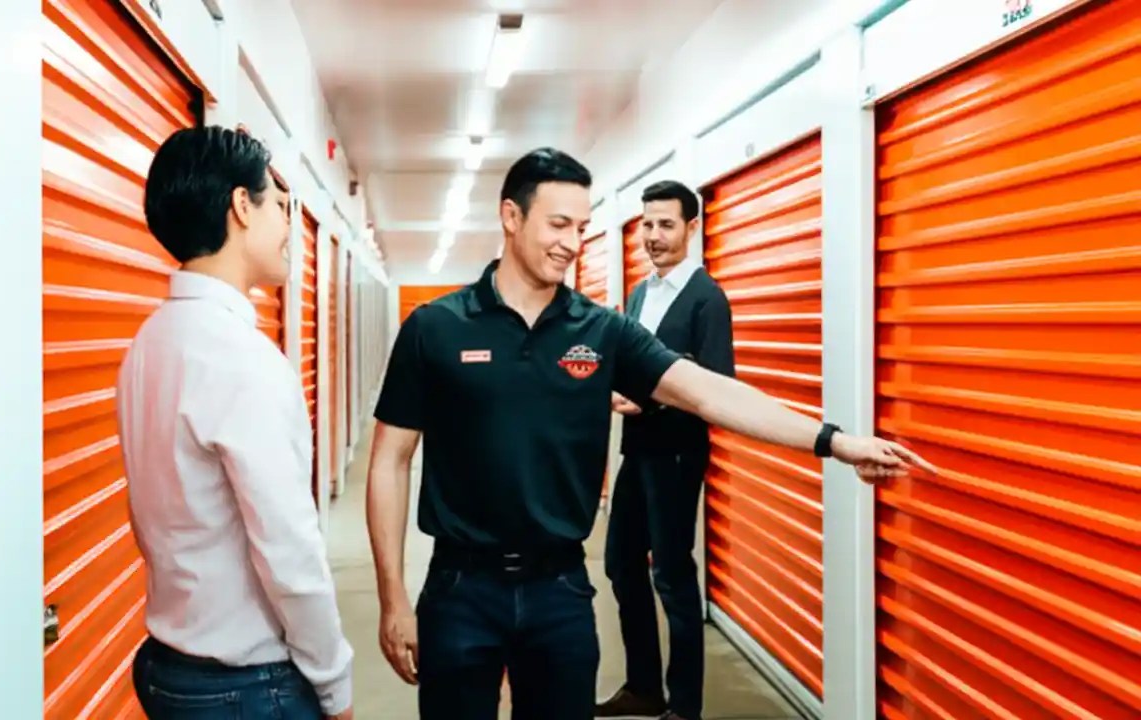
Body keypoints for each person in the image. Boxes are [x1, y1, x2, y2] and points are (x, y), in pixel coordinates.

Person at [364, 147, 933, 720]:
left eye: (581, 228)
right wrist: (393, 598)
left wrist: (833, 441)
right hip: (460, 587)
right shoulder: (434, 328)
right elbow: (390, 460)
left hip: (558, 590)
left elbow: (709, 391)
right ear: (511, 217)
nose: (572, 242)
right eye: (558, 224)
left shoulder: (602, 330)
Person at [118, 126, 354, 720]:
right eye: (279, 204)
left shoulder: (148, 344)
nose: (288, 229)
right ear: (241, 206)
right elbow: (290, 549)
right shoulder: (243, 359)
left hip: (169, 667)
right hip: (247, 689)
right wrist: (335, 684)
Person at [596, 180, 731, 720]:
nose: (653, 235)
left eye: (666, 225)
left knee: (672, 575)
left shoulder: (706, 298)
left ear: (691, 228)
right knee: (619, 564)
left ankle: (686, 707)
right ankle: (643, 687)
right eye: (647, 224)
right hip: (638, 452)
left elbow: (716, 384)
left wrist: (649, 403)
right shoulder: (639, 293)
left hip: (676, 454)